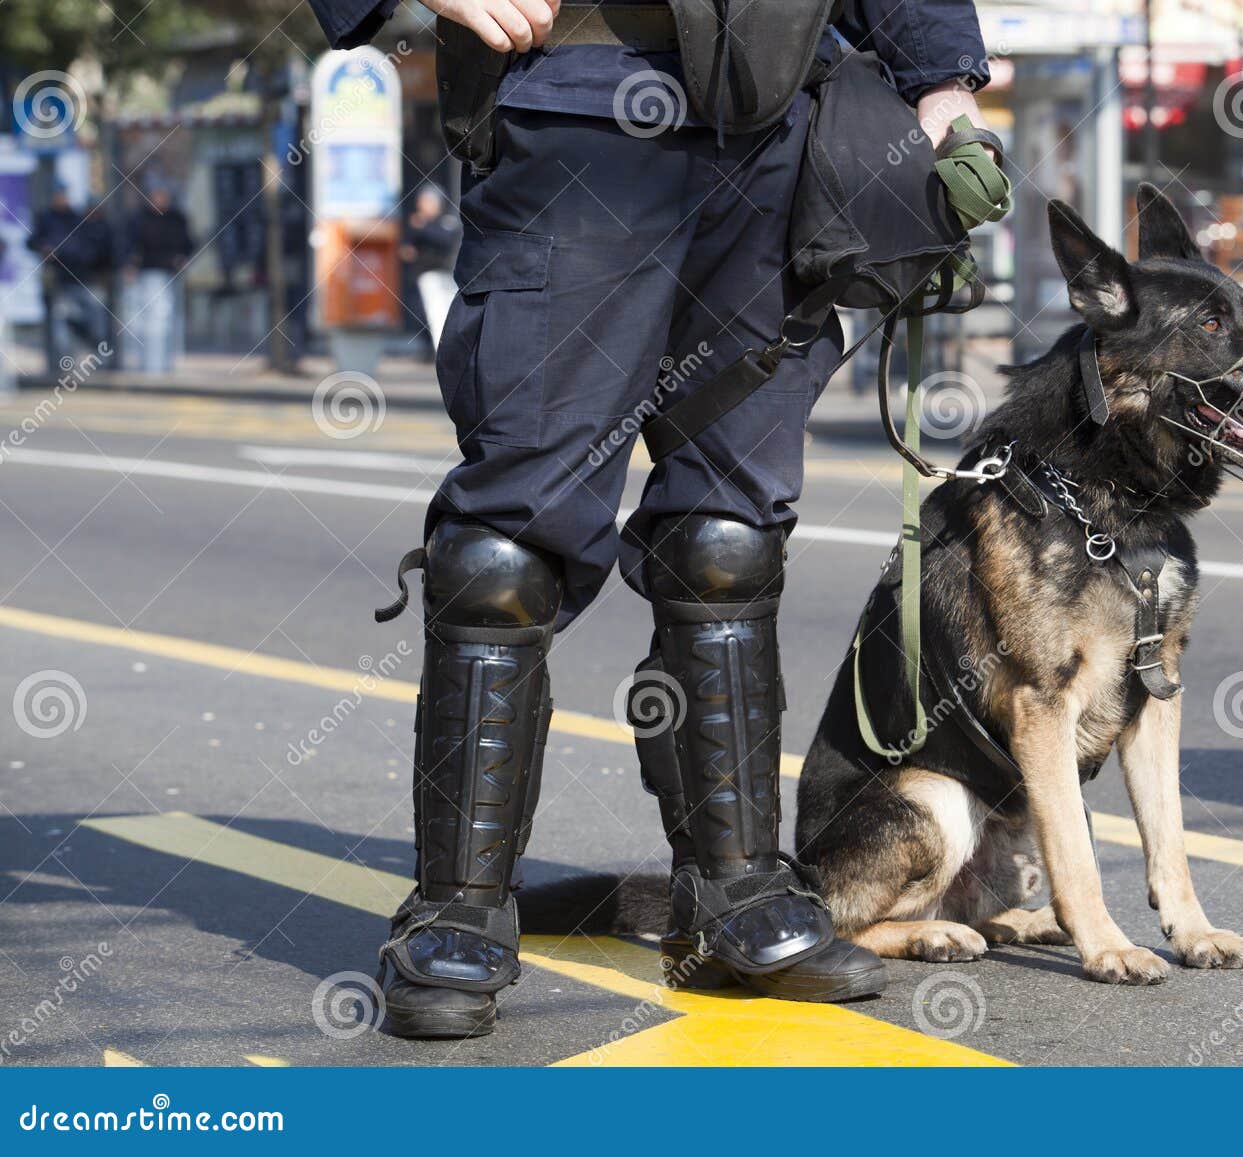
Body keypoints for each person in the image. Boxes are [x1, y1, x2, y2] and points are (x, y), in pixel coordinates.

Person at [308, 0, 993, 1040]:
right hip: (579, 110)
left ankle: (735, 894)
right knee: (503, 554)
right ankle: (457, 909)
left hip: (776, 131)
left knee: (727, 541)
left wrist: (940, 79)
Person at [29, 187, 112, 372]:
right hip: (61, 281)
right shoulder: (46, 218)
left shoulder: (78, 220)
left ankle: (99, 359)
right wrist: (45, 248)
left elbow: (91, 249)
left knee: (93, 321)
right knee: (61, 323)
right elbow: (32, 241)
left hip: (86, 279)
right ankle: (63, 363)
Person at [122, 184, 195, 374]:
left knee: (165, 320)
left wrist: (182, 260)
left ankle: (164, 363)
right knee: (145, 323)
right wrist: (130, 264)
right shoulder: (139, 219)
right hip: (145, 275)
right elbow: (129, 245)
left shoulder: (176, 219)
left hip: (170, 275)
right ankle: (147, 364)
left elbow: (188, 245)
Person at [398, 184, 461, 354]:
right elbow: (406, 246)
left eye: (427, 201)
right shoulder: (416, 222)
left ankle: (444, 352)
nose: (423, 205)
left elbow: (445, 240)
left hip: (443, 275)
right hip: (422, 276)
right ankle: (431, 350)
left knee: (441, 314)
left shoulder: (446, 219)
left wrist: (424, 226)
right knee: (423, 313)